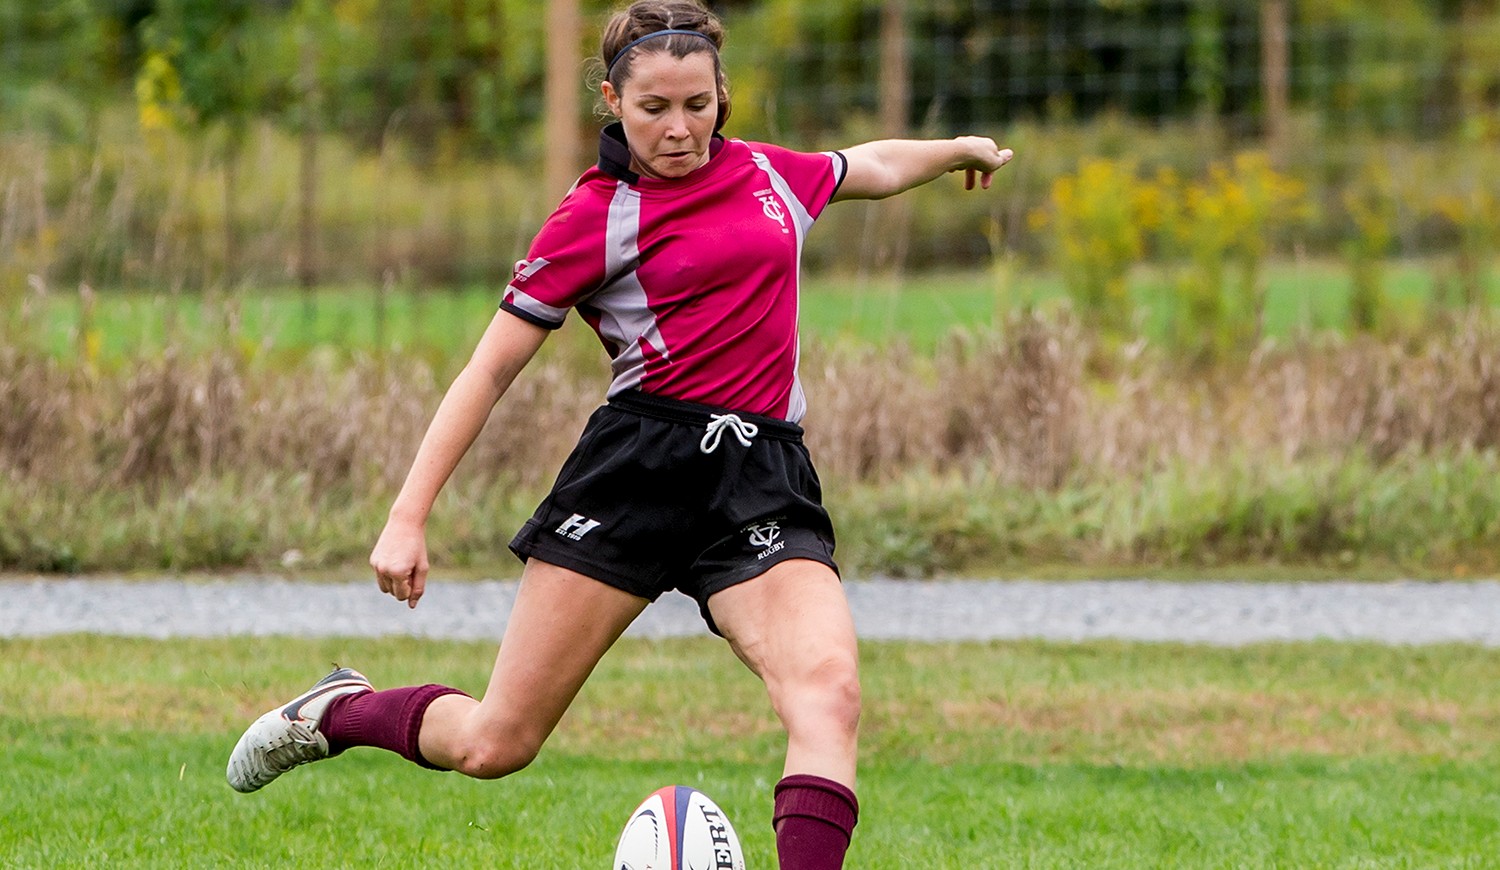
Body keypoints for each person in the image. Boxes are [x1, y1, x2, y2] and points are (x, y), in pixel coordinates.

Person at [226, 2, 1012, 867]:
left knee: (828, 695)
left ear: (722, 95)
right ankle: (338, 711)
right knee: (496, 742)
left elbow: (864, 164)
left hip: (759, 474)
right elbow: (487, 372)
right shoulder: (595, 215)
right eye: (654, 109)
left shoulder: (767, 174)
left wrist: (957, 151)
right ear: (613, 100)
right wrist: (408, 515)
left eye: (698, 106)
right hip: (637, 470)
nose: (680, 129)